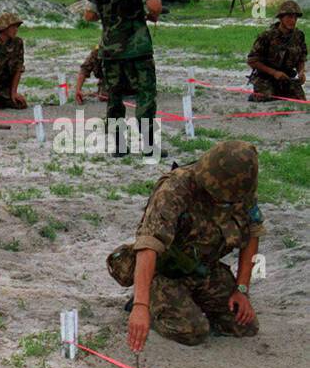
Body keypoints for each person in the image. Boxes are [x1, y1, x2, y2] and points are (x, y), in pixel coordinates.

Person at [107, 141, 263, 350]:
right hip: (165, 271)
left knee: (244, 326)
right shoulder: (175, 189)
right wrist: (141, 306)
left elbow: (253, 233)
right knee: (192, 331)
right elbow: (149, 245)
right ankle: (150, 298)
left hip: (203, 269)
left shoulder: (239, 189)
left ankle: (187, 300)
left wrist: (241, 290)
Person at [84, 0, 164, 156]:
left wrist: (112, 17)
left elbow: (88, 15)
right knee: (145, 96)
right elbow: (155, 5)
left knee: (114, 99)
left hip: (110, 49)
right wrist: (148, 15)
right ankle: (148, 146)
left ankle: (119, 146)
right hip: (137, 48)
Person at [246, 0, 306, 102]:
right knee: (266, 98)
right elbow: (252, 60)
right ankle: (255, 95)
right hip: (265, 77)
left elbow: (301, 57)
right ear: (281, 18)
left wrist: (301, 72)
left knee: (300, 100)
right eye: (289, 17)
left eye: (295, 17)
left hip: (287, 77)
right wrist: (274, 73)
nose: (293, 20)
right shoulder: (267, 36)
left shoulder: (299, 36)